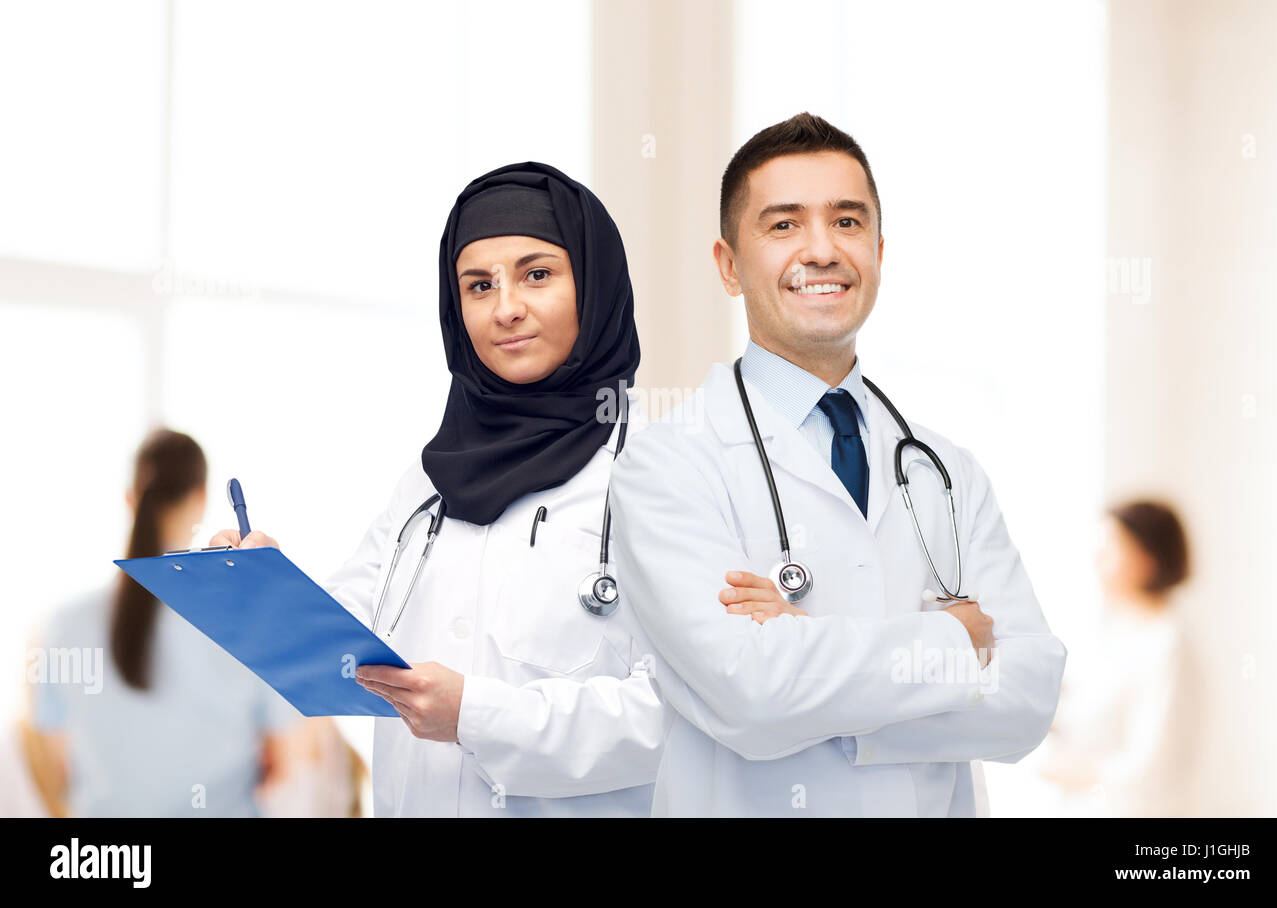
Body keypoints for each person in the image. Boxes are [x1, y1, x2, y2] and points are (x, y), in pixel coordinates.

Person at [608, 113, 1068, 817]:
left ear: (879, 251)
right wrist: (954, 640)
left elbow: (1029, 696)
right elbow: (752, 692)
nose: (822, 250)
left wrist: (806, 654)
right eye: (784, 225)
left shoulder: (946, 470)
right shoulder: (667, 463)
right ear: (729, 266)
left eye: (847, 223)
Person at [211, 162, 665, 817]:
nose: (506, 308)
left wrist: (478, 715)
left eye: (537, 274)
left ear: (593, 288)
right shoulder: (428, 481)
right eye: (478, 286)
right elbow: (353, 639)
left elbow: (676, 711)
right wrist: (263, 589)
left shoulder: (657, 477)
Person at [28, 429, 309, 817]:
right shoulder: (246, 622)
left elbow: (59, 761)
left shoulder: (64, 625)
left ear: (130, 498)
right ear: (200, 499)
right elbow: (279, 763)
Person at [1037, 500, 1193, 816]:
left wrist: (1076, 771)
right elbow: (1085, 713)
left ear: (1147, 558)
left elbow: (1153, 765)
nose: (1097, 560)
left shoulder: (1167, 644)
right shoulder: (1112, 632)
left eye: (1111, 548)